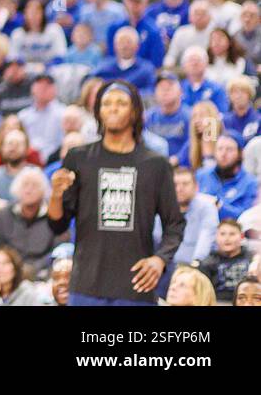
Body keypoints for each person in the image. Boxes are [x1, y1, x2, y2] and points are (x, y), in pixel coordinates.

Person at [47, 80, 184, 305]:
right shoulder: (78, 158)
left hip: (135, 287)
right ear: (98, 111)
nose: (113, 108)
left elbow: (175, 223)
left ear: (135, 111)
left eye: (121, 103)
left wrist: (160, 260)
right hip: (86, 286)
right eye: (106, 103)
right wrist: (55, 195)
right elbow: (58, 224)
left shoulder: (155, 163)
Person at [193, 218, 254, 303]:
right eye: (222, 234)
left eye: (232, 234)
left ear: (242, 236)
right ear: (216, 237)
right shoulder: (207, 263)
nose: (227, 238)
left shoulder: (253, 258)